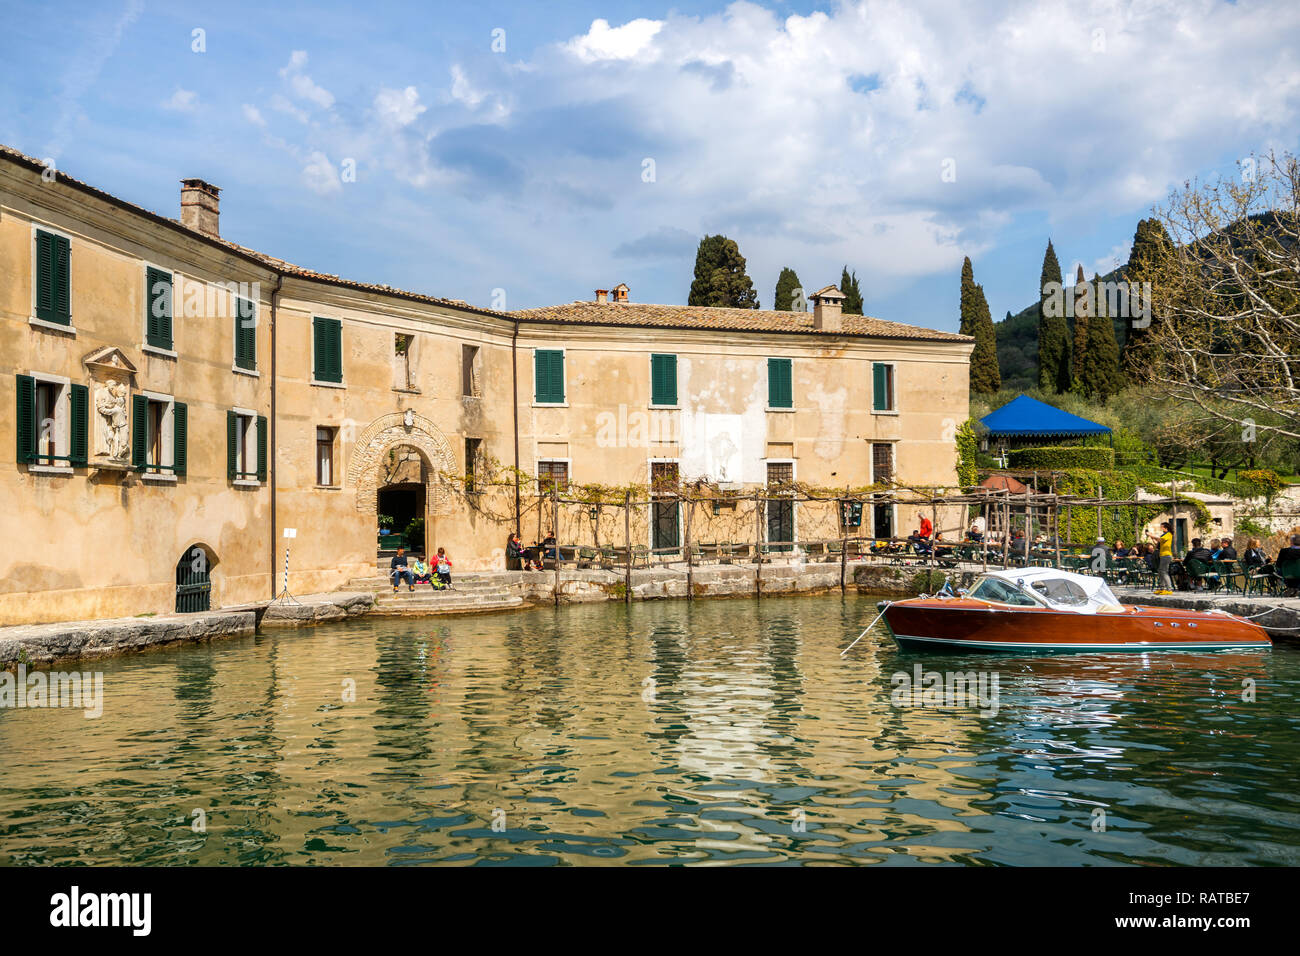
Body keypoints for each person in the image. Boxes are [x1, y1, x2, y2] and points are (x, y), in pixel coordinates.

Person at [1147, 522, 1174, 594]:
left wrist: (1151, 534)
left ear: (1166, 528)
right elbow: (1158, 544)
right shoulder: (1164, 535)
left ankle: (1169, 589)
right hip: (1162, 555)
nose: (1160, 528)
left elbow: (1160, 539)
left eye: (1162, 527)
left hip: (1166, 555)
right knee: (1160, 571)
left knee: (1164, 572)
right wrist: (1152, 538)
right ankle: (1162, 588)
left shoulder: (1168, 534)